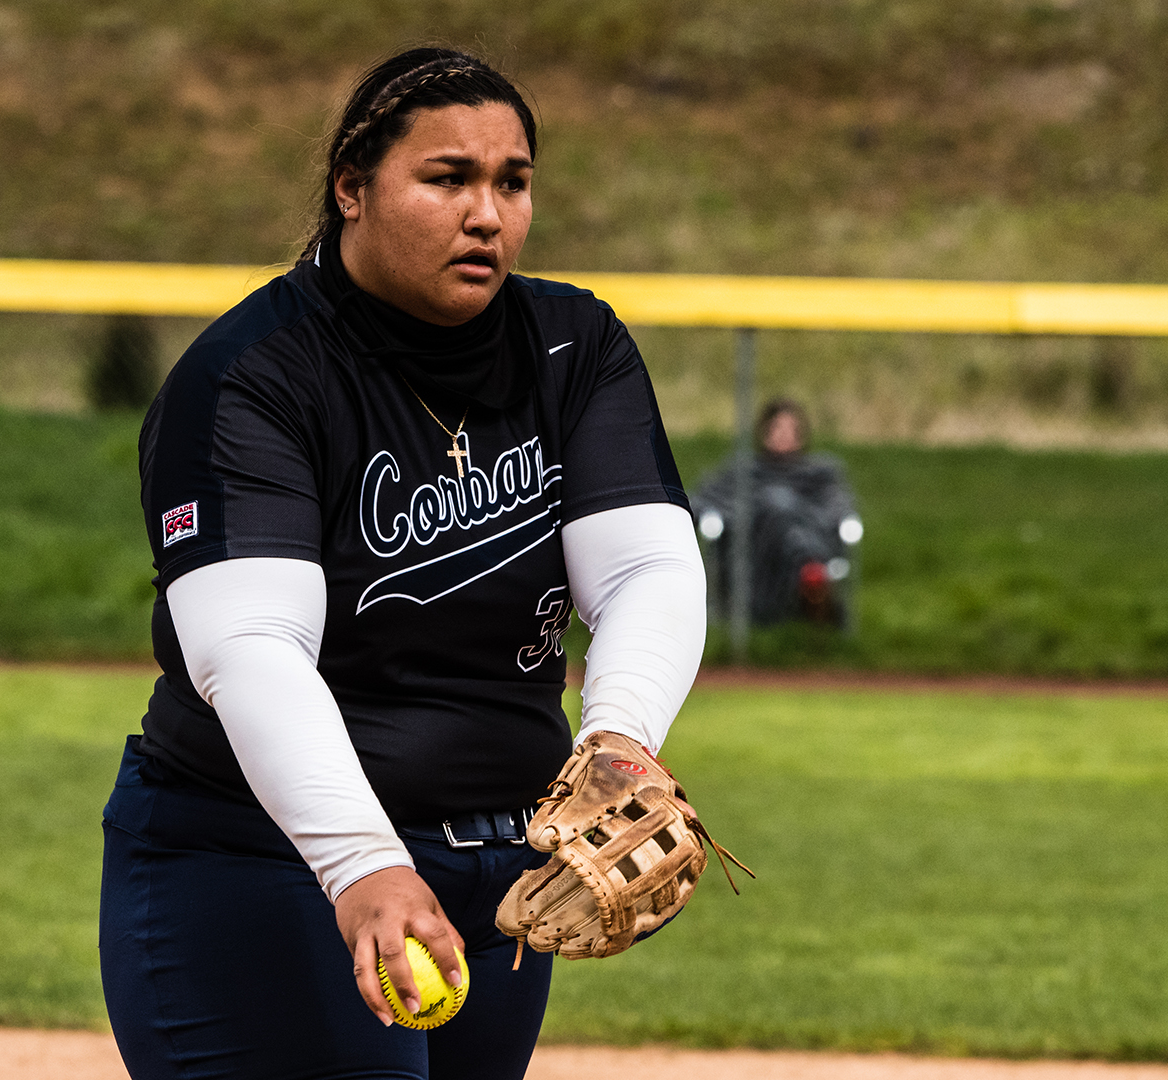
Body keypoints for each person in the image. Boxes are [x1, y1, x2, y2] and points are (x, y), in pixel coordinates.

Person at [103, 47, 706, 1080]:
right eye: (447, 178)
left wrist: (620, 741)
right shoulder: (253, 376)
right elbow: (249, 646)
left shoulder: (573, 344)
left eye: (512, 182)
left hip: (503, 868)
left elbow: (647, 566)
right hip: (268, 858)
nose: (488, 214)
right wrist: (363, 863)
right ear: (351, 186)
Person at [693, 398, 862, 628]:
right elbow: (702, 502)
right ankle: (810, 577)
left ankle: (804, 581)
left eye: (791, 429)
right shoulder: (743, 472)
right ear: (762, 432)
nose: (784, 435)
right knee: (776, 506)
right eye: (777, 428)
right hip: (755, 551)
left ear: (803, 434)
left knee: (782, 508)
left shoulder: (820, 473)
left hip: (810, 536)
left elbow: (836, 508)